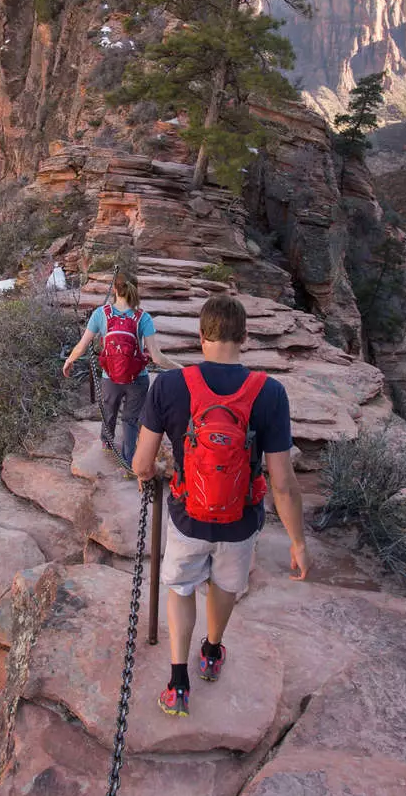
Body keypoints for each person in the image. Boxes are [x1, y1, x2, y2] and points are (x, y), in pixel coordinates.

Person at [130, 293, 309, 718]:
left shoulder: (170, 386)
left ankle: (178, 682)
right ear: (245, 337)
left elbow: (141, 462)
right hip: (240, 522)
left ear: (201, 336)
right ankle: (211, 653)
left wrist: (146, 477)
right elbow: (283, 483)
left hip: (187, 516)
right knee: (225, 587)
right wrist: (298, 542)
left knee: (180, 588)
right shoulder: (271, 393)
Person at [62, 271, 175, 465]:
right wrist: (179, 367)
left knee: (109, 410)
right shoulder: (143, 317)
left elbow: (82, 345)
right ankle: (129, 461)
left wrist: (69, 360)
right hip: (137, 377)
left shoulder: (101, 314)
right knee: (130, 420)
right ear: (135, 289)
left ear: (114, 289)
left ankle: (107, 442)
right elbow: (156, 356)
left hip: (110, 377)